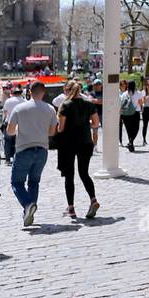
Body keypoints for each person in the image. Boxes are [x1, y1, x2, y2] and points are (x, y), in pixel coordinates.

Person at [6, 81, 58, 226]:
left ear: (29, 92)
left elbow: (10, 131)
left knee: (17, 182)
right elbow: (52, 132)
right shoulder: (50, 109)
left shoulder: (19, 108)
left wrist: (18, 131)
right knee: (34, 182)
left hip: (24, 149)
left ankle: (27, 204)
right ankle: (29, 213)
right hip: (42, 150)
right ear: (44, 92)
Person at [55, 80, 101, 220]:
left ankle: (71, 207)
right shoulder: (89, 104)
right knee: (84, 173)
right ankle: (93, 199)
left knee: (69, 176)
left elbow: (61, 128)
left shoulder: (65, 106)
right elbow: (96, 123)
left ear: (68, 91)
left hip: (69, 143)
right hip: (85, 142)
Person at [1, 85, 24, 165]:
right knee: (17, 141)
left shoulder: (8, 101)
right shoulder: (23, 101)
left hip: (9, 122)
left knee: (7, 141)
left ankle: (7, 159)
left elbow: (5, 112)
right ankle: (16, 157)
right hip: (19, 123)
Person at [119, 80, 140, 151]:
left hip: (125, 114)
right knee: (136, 128)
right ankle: (131, 142)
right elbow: (141, 102)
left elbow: (121, 103)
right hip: (135, 112)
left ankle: (131, 145)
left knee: (129, 130)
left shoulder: (124, 94)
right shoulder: (138, 93)